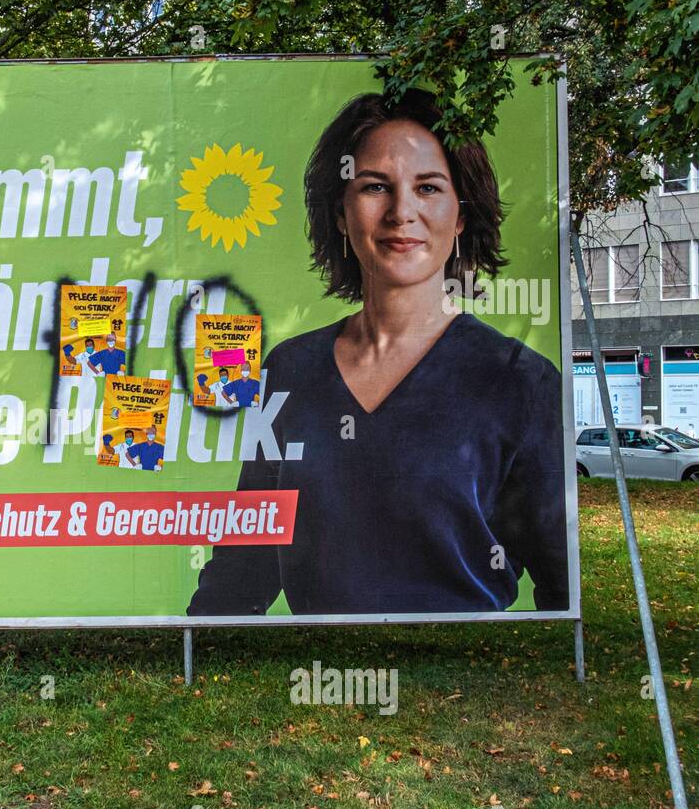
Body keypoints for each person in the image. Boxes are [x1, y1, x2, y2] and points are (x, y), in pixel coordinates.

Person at [188, 88, 568, 616]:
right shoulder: (287, 371)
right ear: (341, 214)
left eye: (429, 187)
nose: (401, 213)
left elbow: (561, 591)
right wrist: (193, 672)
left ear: (461, 215)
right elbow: (244, 564)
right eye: (374, 187)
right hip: (310, 684)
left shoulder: (522, 382)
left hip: (464, 687)